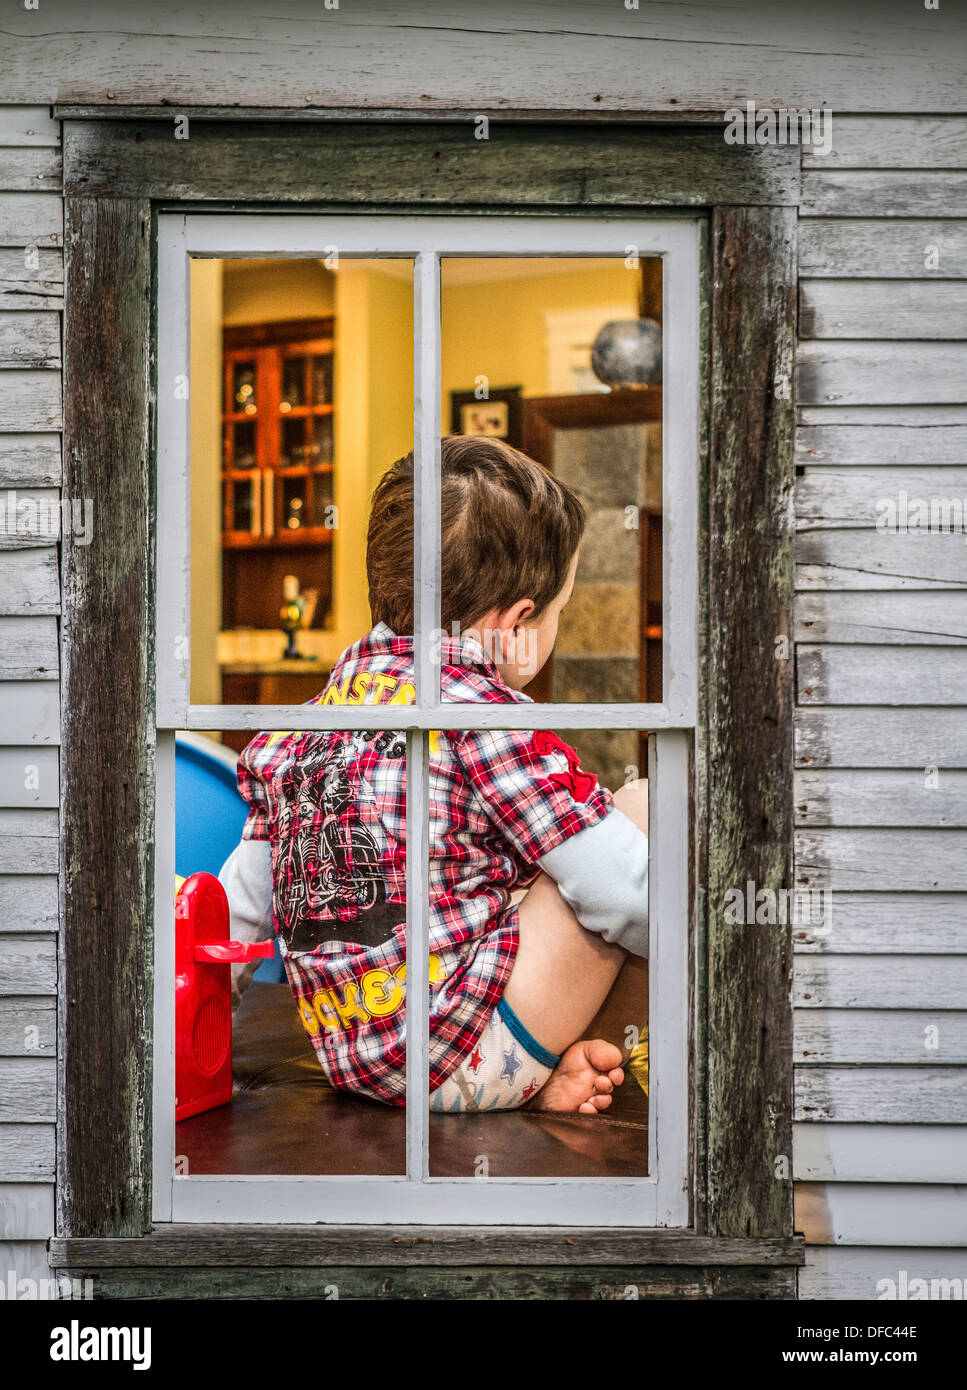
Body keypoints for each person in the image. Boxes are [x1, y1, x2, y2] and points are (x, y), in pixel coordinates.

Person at [219, 435, 649, 1115]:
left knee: (523, 861)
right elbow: (631, 898)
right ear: (518, 623)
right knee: (642, 814)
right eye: (558, 614)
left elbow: (238, 909)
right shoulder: (488, 720)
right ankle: (565, 1062)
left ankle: (541, 1076)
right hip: (463, 1057)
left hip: (351, 1062)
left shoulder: (301, 726)